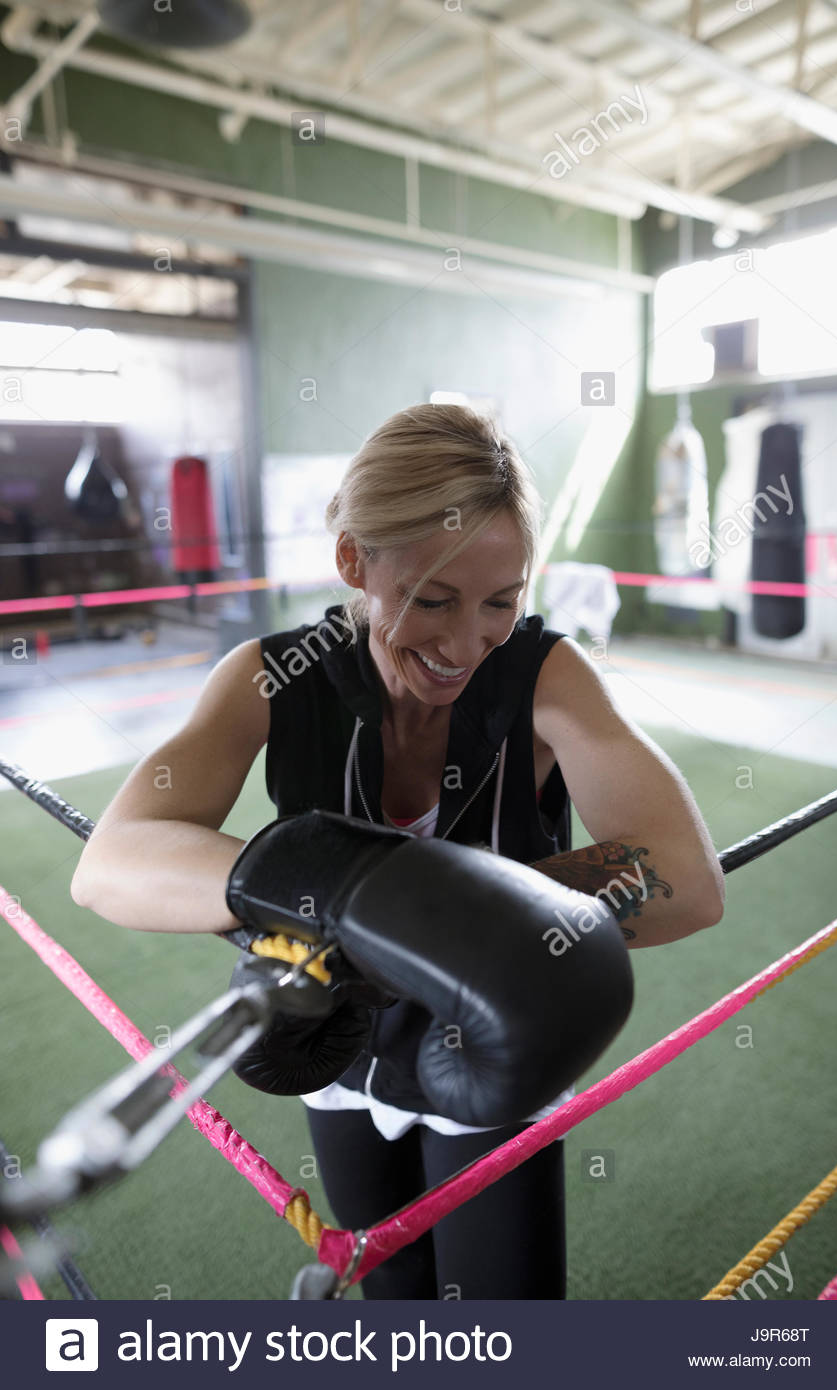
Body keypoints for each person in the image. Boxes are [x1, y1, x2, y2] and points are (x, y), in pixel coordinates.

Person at [70, 402, 725, 1299]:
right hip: (343, 1055)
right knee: (393, 1296)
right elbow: (110, 862)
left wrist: (452, 920)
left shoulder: (543, 673)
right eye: (433, 599)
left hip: (492, 1048)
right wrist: (334, 894)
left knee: (503, 1330)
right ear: (354, 562)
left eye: (503, 600)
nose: (466, 644)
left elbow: (686, 878)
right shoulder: (275, 675)